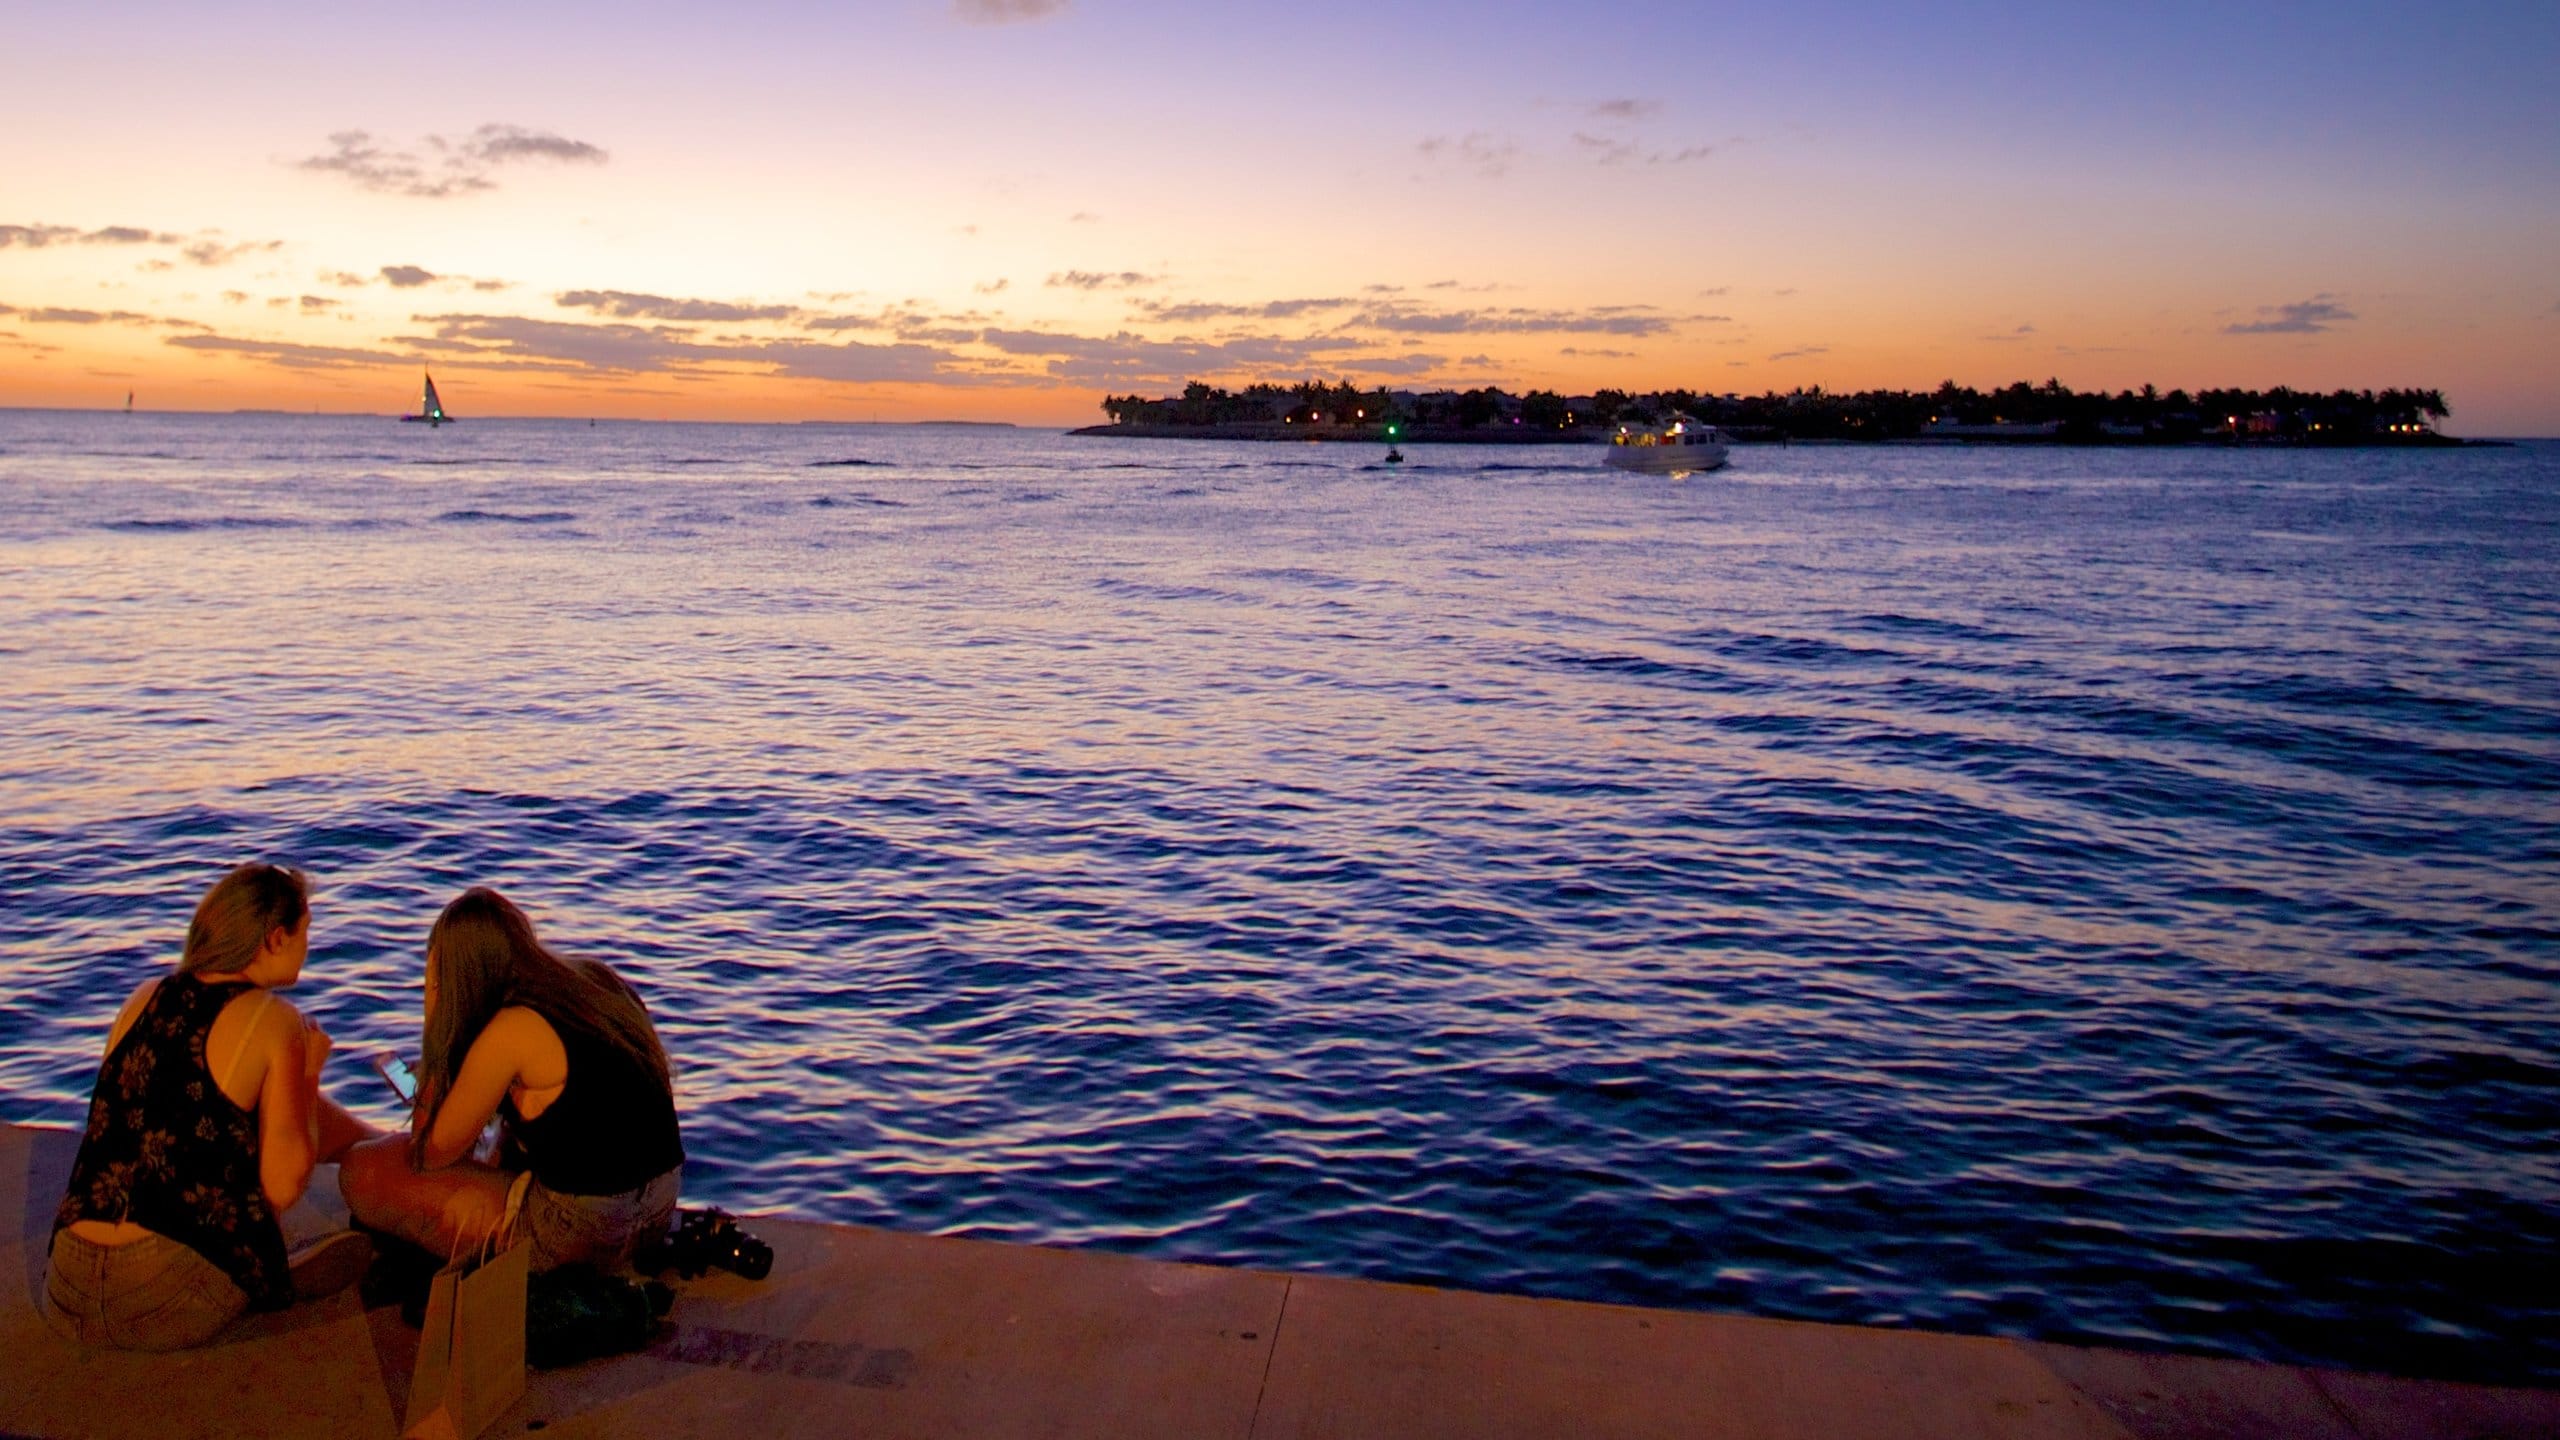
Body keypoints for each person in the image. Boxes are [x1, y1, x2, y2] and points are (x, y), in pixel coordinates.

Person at [46, 862, 376, 1350]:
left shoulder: (145, 995)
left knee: (245, 1112)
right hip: (159, 1298)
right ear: (273, 940)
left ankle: (379, 1148)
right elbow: (283, 1186)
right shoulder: (273, 1018)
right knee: (359, 1251)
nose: (310, 946)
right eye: (305, 932)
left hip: (67, 1284)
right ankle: (275, 1265)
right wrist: (308, 1073)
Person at [340, 887, 683, 1274]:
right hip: (658, 1213)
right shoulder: (595, 982)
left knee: (364, 1170)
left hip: (582, 1232)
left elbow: (429, 1154)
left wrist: (438, 1036)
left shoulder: (509, 1031)